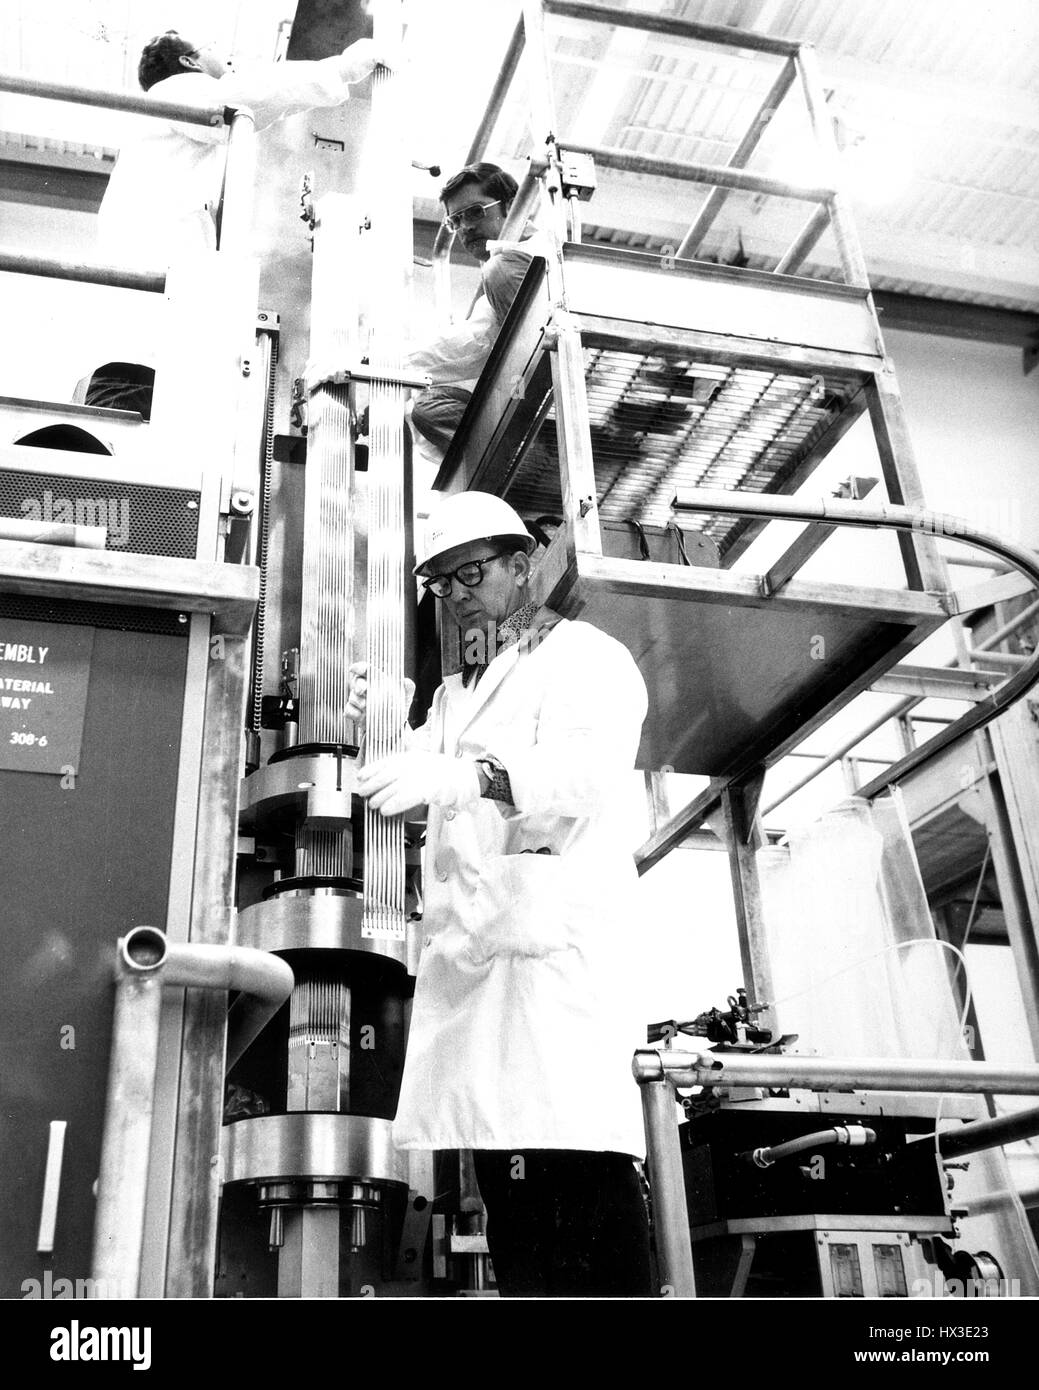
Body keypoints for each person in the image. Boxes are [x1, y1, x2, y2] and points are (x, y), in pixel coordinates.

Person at [349, 491, 654, 1298]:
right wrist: (383, 730)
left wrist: (472, 774)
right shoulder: (457, 693)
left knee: (579, 1214)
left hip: (553, 989)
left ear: (522, 567)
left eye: (471, 575)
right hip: (479, 989)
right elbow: (416, 790)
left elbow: (583, 775)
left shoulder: (582, 655)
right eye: (442, 586)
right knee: (518, 1226)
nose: (458, 597)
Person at [97, 30, 388, 264]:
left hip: (146, 248)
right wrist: (344, 69)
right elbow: (257, 92)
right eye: (209, 46)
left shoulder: (159, 113)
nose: (224, 56)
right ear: (189, 62)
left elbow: (258, 101)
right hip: (155, 248)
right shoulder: (176, 88)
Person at [405, 163, 551, 468]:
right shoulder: (496, 276)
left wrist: (395, 363)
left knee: (499, 269)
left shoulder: (531, 253)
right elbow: (479, 345)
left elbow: (477, 343)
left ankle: (534, 442)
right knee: (427, 409)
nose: (465, 227)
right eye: (455, 220)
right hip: (519, 389)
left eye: (474, 212)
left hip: (552, 380)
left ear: (511, 206)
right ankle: (523, 461)